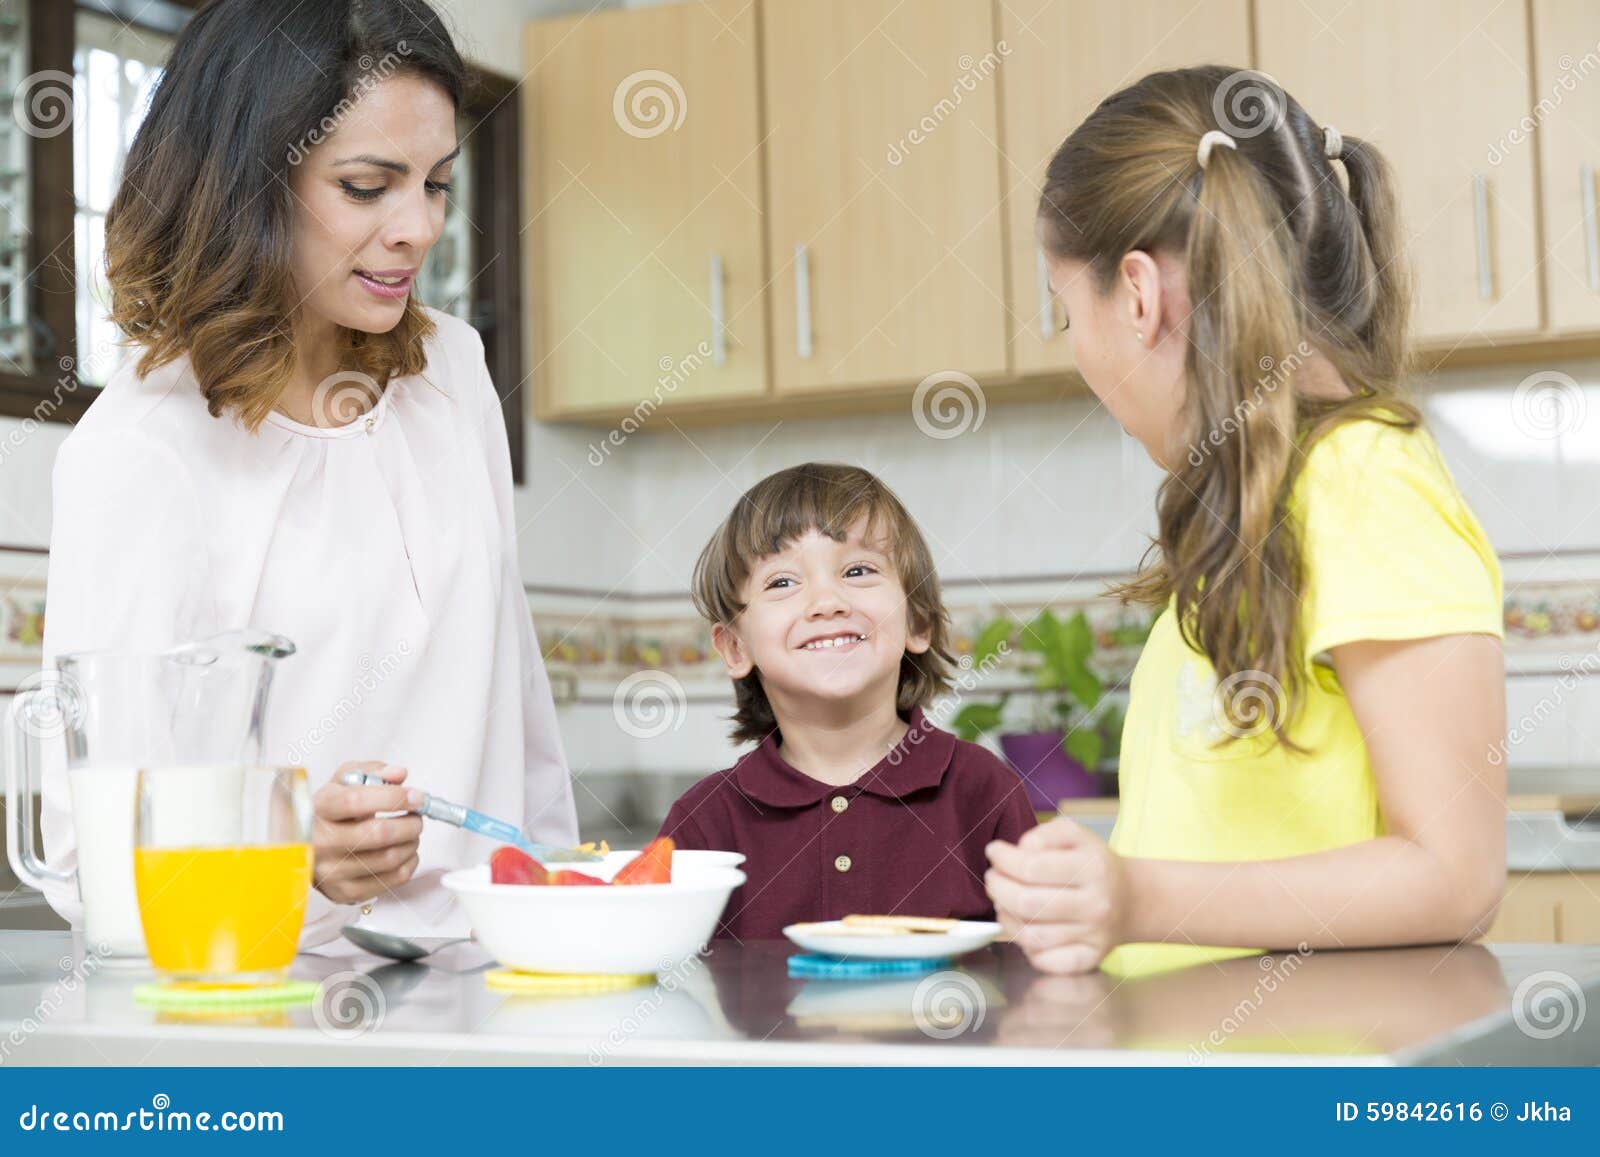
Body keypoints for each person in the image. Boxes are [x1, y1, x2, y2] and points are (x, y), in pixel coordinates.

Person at [41, 0, 576, 947]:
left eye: (437, 183)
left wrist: (565, 916)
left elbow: (519, 710)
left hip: (495, 983)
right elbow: (89, 856)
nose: (418, 228)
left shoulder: (450, 372)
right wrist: (295, 857)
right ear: (245, 184)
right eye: (368, 186)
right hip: (284, 1012)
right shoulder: (140, 454)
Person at [985, 66, 1506, 975]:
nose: (1075, 349)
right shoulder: (1275, 493)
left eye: (1069, 311)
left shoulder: (1366, 481)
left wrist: (1137, 898)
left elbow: (1455, 875)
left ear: (1139, 296)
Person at [660, 463, 1036, 939]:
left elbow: (1039, 974)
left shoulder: (985, 792)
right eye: (781, 582)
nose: (826, 600)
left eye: (858, 570)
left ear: (918, 621)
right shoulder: (703, 825)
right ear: (736, 647)